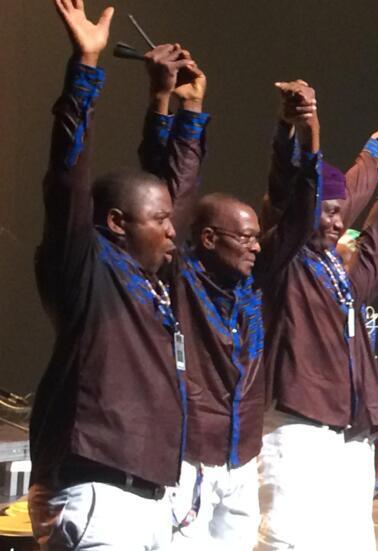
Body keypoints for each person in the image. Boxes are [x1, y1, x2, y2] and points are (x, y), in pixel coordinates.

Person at [28, 2, 203, 548]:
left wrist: (177, 107)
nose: (173, 232)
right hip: (99, 493)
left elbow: (170, 190)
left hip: (151, 499)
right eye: (159, 223)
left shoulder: (152, 282)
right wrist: (85, 67)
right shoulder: (85, 264)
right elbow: (67, 180)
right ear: (115, 223)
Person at [138, 73, 322, 548]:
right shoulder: (179, 276)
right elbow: (172, 192)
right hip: (189, 459)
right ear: (206, 239)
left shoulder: (253, 284)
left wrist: (306, 130)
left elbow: (299, 217)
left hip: (240, 459)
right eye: (244, 238)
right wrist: (188, 113)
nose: (255, 247)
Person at [255, 116, 378, 549]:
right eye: (325, 212)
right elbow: (300, 189)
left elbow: (377, 245)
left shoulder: (337, 272)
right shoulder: (281, 261)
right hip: (296, 425)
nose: (336, 222)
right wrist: (302, 132)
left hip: (349, 431)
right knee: (286, 541)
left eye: (338, 214)